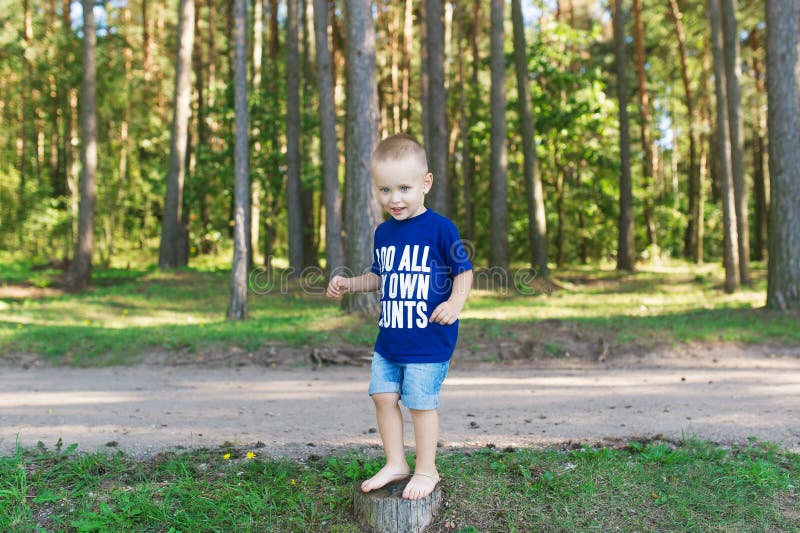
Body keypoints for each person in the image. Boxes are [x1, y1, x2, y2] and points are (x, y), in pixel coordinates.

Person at [326, 134, 473, 501]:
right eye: (385, 190)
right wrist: (349, 283)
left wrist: (455, 304)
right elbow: (381, 274)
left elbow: (464, 271)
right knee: (382, 397)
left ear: (426, 183)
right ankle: (396, 462)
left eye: (404, 188)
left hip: (428, 341)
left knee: (420, 403)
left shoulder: (441, 228)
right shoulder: (384, 232)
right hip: (390, 339)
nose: (395, 199)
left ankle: (427, 469)